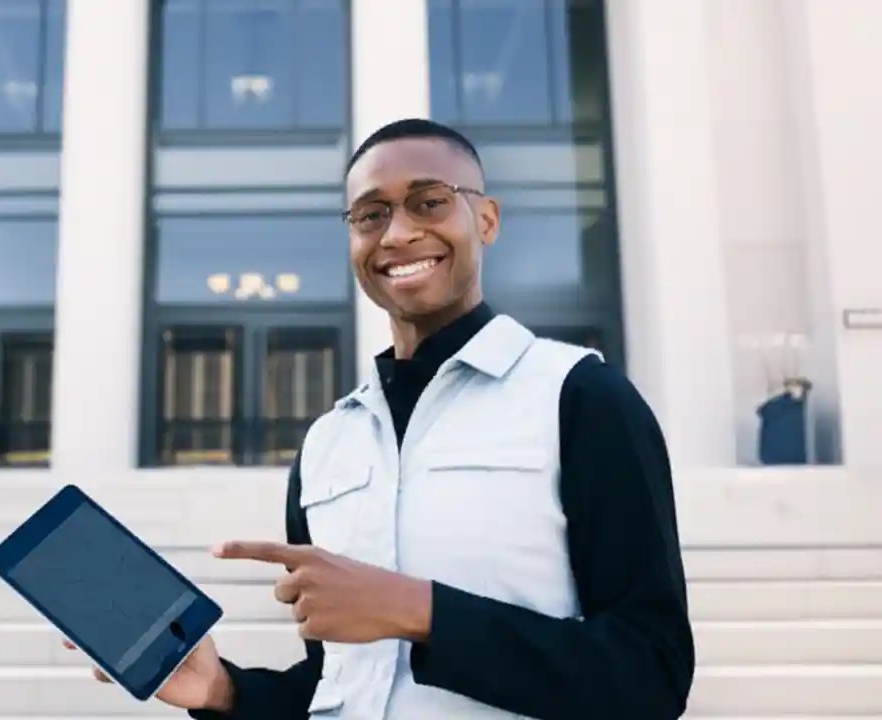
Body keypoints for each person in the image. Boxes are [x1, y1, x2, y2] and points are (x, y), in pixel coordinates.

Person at [68, 118, 694, 719]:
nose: (396, 234)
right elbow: (339, 686)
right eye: (371, 215)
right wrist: (223, 691)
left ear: (487, 218)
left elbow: (651, 675)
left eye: (429, 202)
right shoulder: (327, 444)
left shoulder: (581, 397)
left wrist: (420, 611)